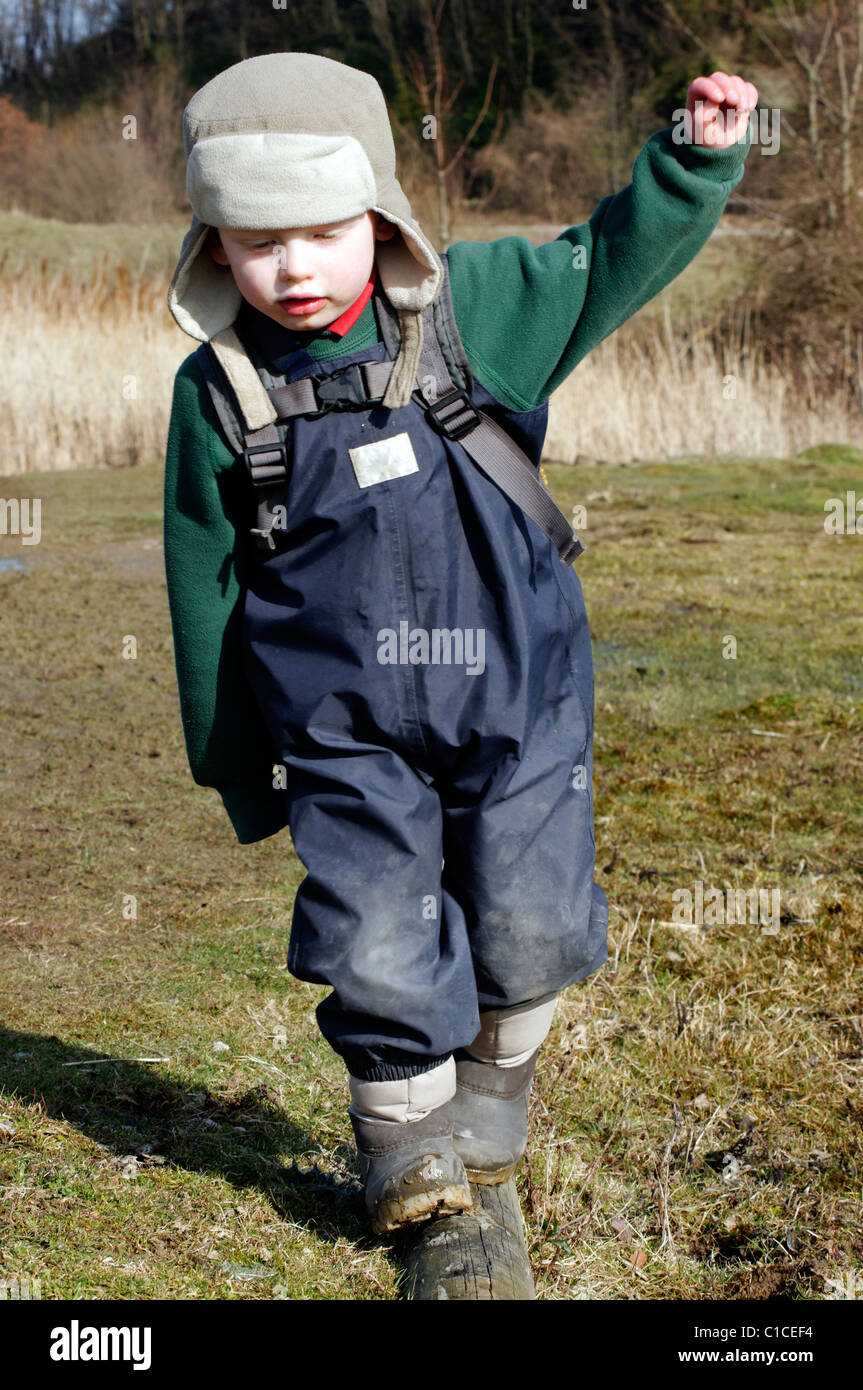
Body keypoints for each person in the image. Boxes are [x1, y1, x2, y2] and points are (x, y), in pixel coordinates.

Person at [163, 51, 756, 1235]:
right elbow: (203, 583)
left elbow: (609, 263)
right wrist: (236, 762)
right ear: (210, 245)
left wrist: (691, 163)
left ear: (378, 214)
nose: (289, 268)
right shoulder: (218, 387)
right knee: (377, 938)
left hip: (517, 701)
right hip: (344, 734)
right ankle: (405, 1146)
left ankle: (492, 1091)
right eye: (253, 241)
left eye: (321, 233)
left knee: (528, 923)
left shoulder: (474, 311)